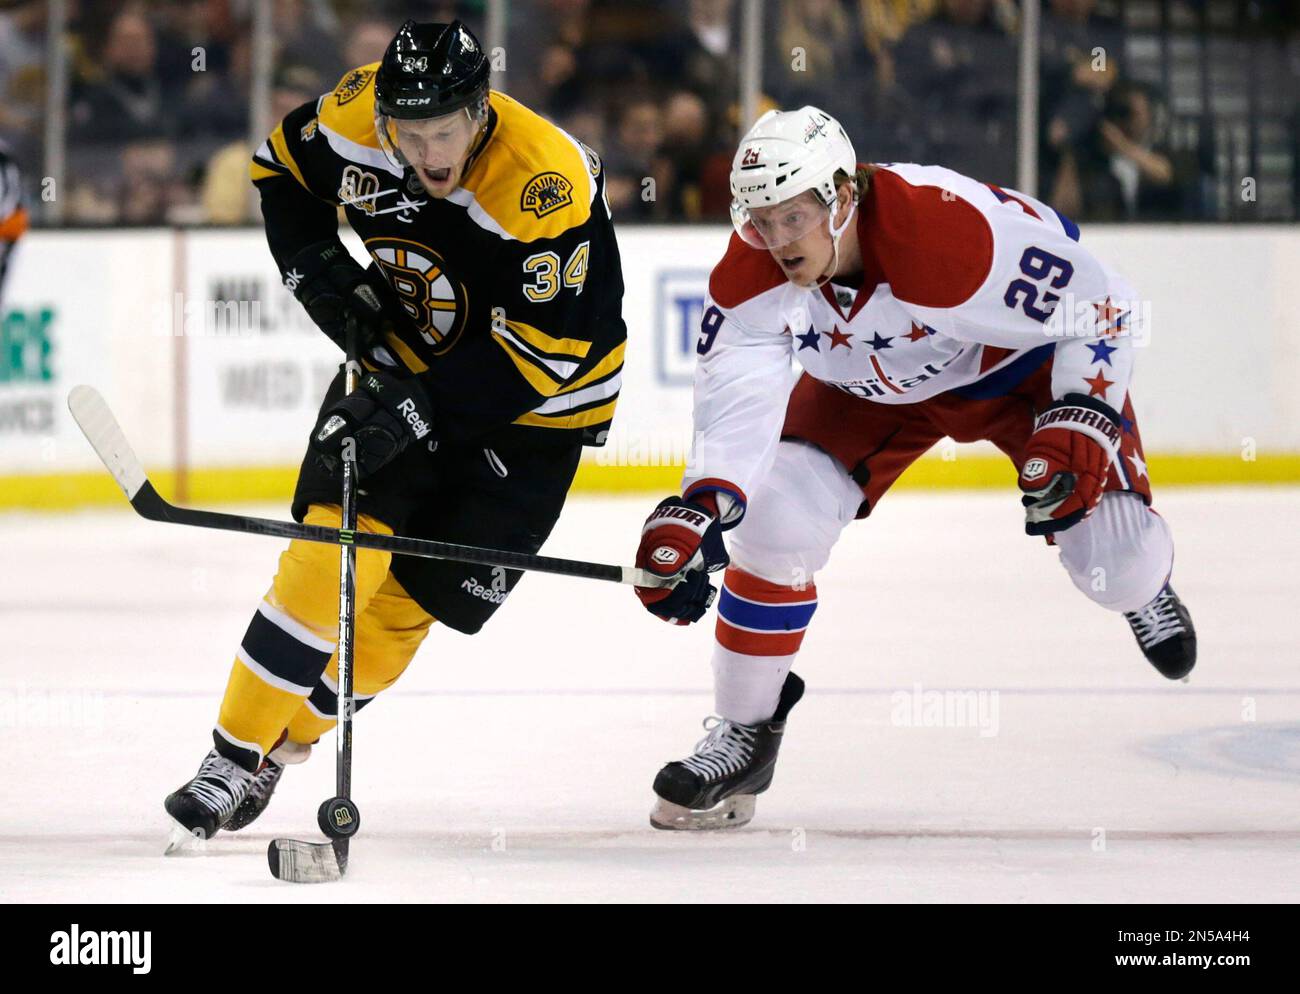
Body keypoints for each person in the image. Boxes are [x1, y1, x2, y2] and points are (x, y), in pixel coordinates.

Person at [632, 106, 1196, 830]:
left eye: (793, 218)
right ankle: (746, 731)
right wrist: (704, 505)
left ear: (841, 197)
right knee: (773, 523)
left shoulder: (944, 238)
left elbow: (1105, 300)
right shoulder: (752, 269)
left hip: (1014, 372)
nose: (776, 241)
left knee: (1114, 560)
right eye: (760, 220)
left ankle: (1144, 588)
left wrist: (1083, 412)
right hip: (864, 390)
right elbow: (739, 393)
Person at [164, 19, 626, 843]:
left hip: (538, 410)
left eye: (442, 132)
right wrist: (328, 281)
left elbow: (543, 357)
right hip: (408, 360)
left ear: (480, 111)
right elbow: (280, 173)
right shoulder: (355, 114)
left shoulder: (541, 182)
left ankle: (286, 742)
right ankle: (233, 759)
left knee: (391, 622)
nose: (424, 151)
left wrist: (416, 410)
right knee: (334, 553)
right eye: (407, 134)